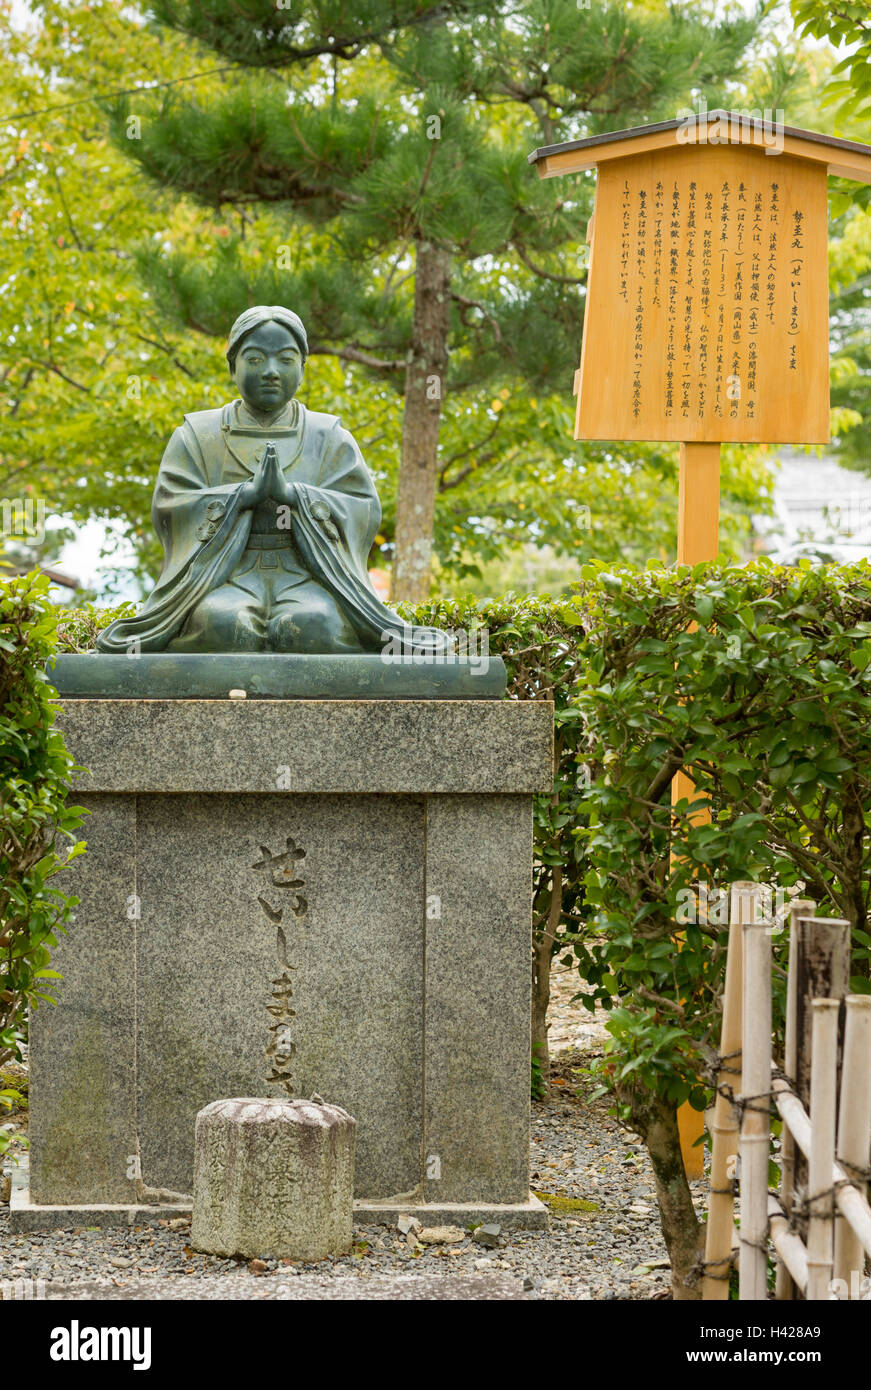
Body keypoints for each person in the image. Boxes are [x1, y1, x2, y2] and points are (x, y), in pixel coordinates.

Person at [97, 306, 448, 656]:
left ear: (302, 367)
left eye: (285, 359)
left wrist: (295, 496)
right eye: (253, 359)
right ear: (232, 367)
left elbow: (362, 508)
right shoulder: (198, 435)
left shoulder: (328, 436)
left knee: (313, 627)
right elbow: (170, 504)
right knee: (224, 626)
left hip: (306, 576)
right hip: (226, 576)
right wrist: (242, 497)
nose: (270, 372)